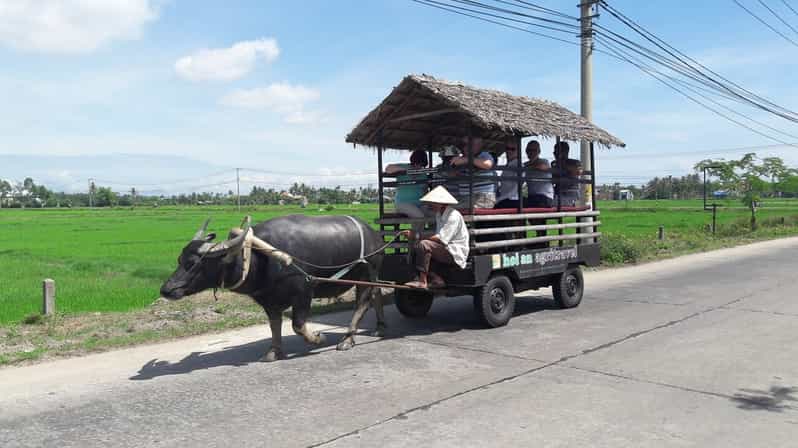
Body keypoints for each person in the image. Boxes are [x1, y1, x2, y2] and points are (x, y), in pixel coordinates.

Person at [403, 186, 469, 289]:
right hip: (445, 248)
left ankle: (422, 281)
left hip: (454, 252)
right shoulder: (439, 214)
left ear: (441, 203)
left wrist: (417, 235)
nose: (430, 205)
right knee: (418, 246)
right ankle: (437, 279)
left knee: (424, 244)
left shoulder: (453, 216)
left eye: (433, 202)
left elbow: (441, 239)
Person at [385, 150, 429, 237]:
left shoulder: (423, 173)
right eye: (417, 164)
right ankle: (414, 240)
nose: (419, 167)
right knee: (419, 217)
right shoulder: (404, 167)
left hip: (419, 204)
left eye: (421, 165)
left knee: (434, 214)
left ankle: (424, 239)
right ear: (413, 162)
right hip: (403, 204)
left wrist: (427, 202)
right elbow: (388, 169)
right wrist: (406, 170)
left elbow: (424, 190)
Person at [450, 136, 497, 208]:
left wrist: (466, 160)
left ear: (479, 146)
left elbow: (488, 164)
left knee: (449, 209)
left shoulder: (484, 155)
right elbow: (453, 175)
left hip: (482, 198)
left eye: (469, 144)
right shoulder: (463, 158)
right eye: (463, 144)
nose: (465, 147)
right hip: (465, 198)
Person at [495, 140, 521, 209]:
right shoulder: (509, 164)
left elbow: (512, 191)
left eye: (513, 149)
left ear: (518, 150)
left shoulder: (518, 164)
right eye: (507, 148)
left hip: (511, 199)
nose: (509, 151)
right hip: (505, 199)